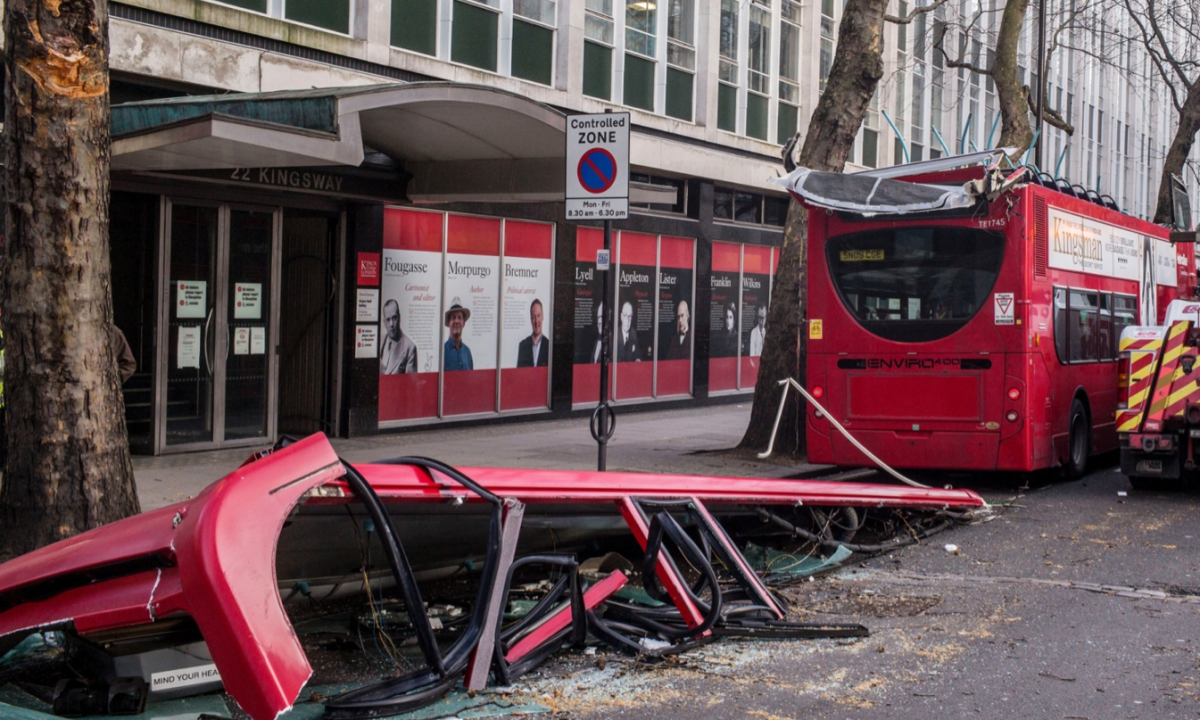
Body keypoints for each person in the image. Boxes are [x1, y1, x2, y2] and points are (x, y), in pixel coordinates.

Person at [380, 299, 418, 374]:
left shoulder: (410, 348)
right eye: (388, 319)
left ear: (399, 318)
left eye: (394, 318)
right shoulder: (379, 341)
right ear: (384, 322)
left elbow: (410, 380)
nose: (391, 324)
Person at [517, 298, 549, 368]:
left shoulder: (549, 346)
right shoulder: (523, 346)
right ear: (530, 319)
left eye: (538, 316)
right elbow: (519, 373)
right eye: (533, 317)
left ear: (543, 317)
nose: (536, 321)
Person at [443, 299, 474, 371]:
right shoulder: (442, 352)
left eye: (459, 317)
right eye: (453, 317)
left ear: (463, 323)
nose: (456, 321)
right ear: (449, 323)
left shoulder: (467, 352)